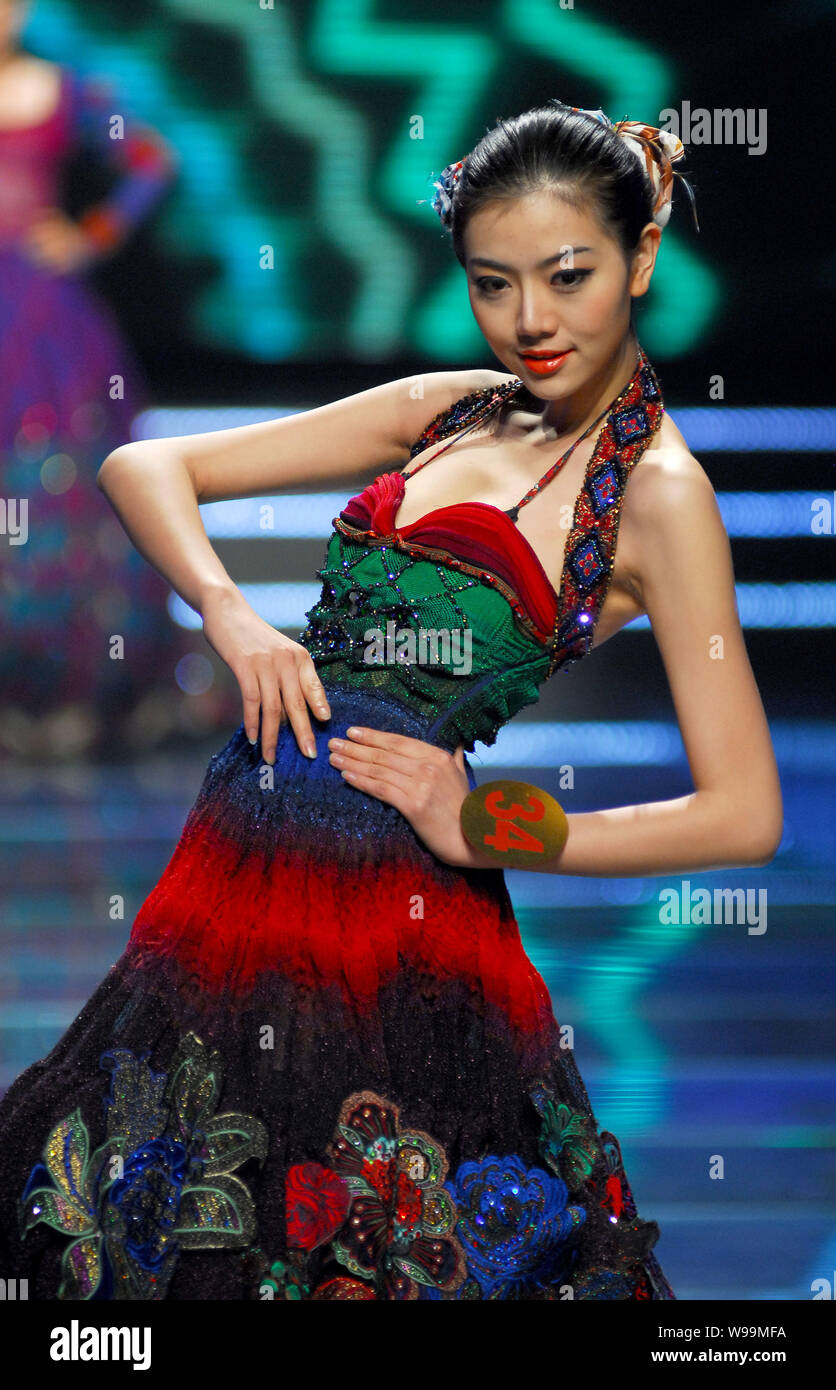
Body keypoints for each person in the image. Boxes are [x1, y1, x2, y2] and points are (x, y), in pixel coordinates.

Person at [0, 99, 782, 1301]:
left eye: (566, 276)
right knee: (158, 1240)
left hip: (403, 923)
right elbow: (140, 463)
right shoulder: (452, 408)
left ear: (641, 257)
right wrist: (230, 612)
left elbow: (742, 813)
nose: (529, 321)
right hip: (232, 869)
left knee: (362, 1247)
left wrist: (492, 826)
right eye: (490, 283)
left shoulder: (662, 499)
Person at [0, 4, 230, 759]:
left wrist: (88, 236)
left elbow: (151, 160)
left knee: (62, 480)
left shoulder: (62, 90)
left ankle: (67, 684)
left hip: (38, 306)